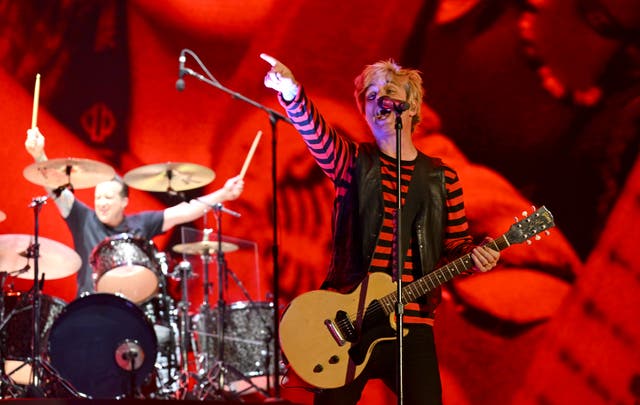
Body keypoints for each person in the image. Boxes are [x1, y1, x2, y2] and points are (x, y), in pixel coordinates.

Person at [261, 53, 501, 405]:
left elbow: (457, 244)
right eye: (371, 97)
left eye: (388, 92)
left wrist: (478, 255)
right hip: (347, 318)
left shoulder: (442, 178)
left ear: (412, 106)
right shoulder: (355, 164)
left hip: (412, 322)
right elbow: (318, 137)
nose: (379, 101)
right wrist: (292, 94)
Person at [24, 126, 244, 298]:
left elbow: (185, 212)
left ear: (124, 201)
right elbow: (54, 186)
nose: (101, 203)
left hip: (131, 309)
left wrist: (223, 194)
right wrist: (39, 154)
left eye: (108, 197)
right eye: (98, 197)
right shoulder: (83, 219)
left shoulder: (142, 223)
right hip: (89, 306)